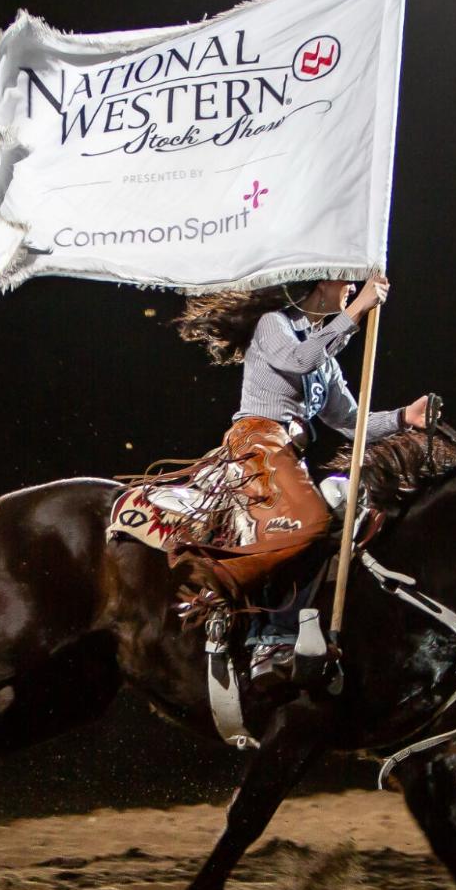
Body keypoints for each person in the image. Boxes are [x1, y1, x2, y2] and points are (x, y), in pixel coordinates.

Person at [171, 273, 429, 678]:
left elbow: (351, 420)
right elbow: (297, 360)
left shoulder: (322, 359)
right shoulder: (275, 324)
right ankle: (240, 612)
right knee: (308, 521)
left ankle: (286, 626)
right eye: (345, 280)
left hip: (288, 453)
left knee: (346, 522)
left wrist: (404, 418)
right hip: (256, 442)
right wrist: (357, 310)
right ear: (321, 283)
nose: (350, 287)